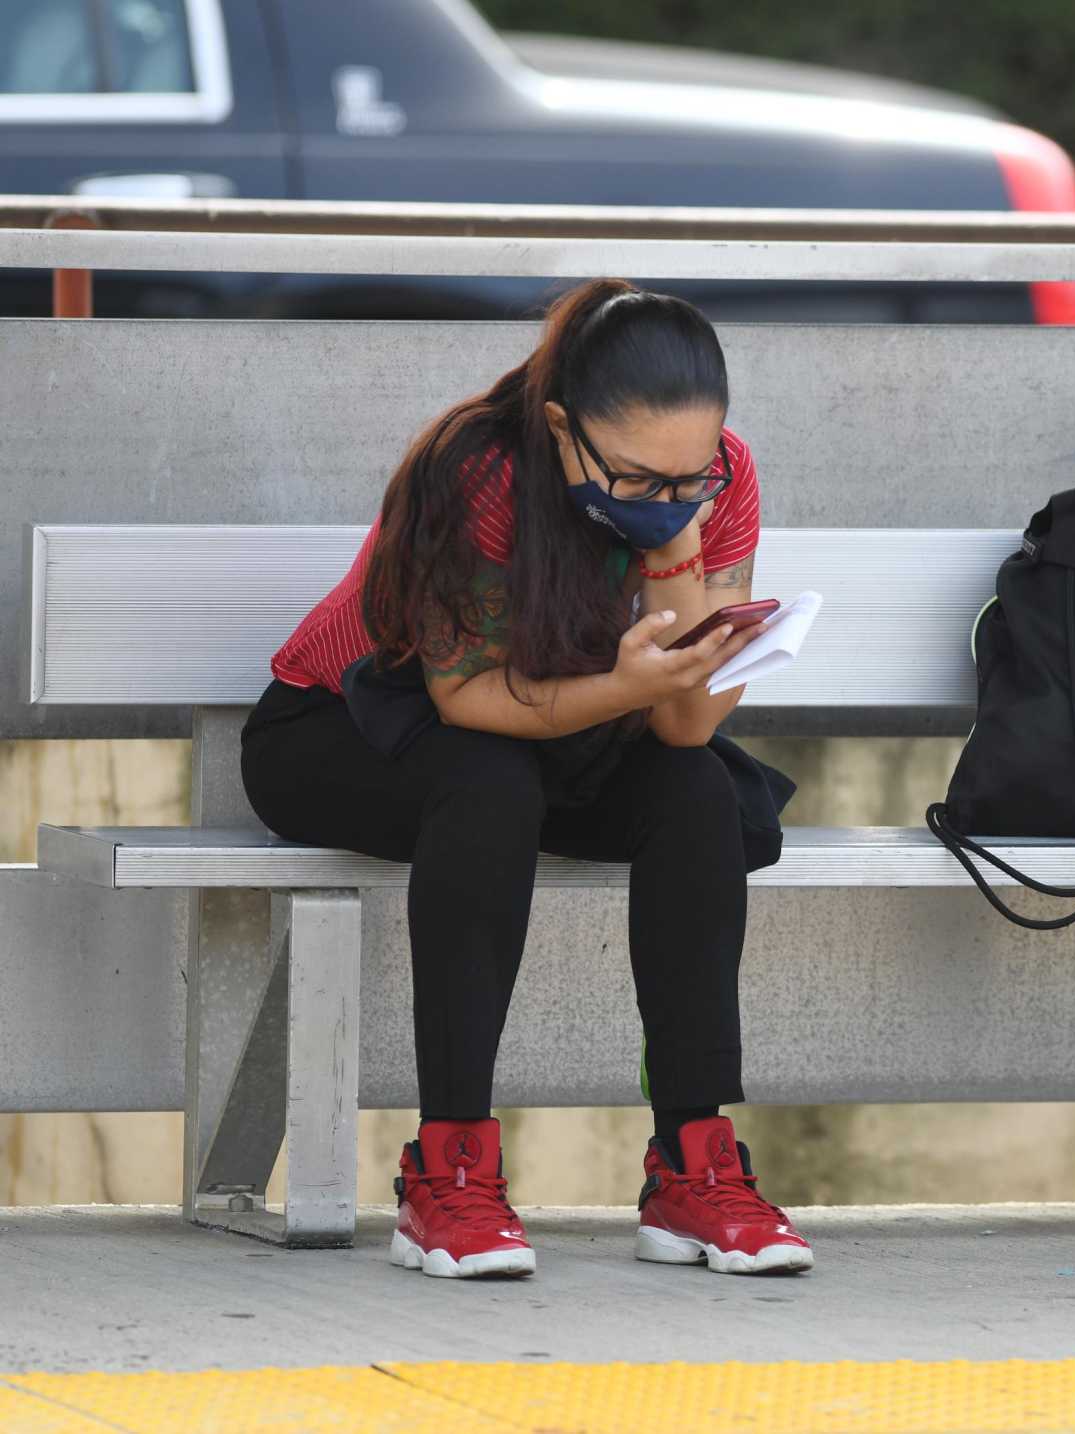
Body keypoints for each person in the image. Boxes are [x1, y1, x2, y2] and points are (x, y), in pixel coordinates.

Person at [241, 278, 814, 1279]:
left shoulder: (717, 481)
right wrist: (625, 685)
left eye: (691, 477)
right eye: (637, 478)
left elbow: (684, 726)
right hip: (340, 729)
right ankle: (448, 1173)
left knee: (697, 794)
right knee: (490, 785)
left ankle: (693, 1166)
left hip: (553, 731)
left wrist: (676, 541)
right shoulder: (477, 472)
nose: (669, 496)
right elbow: (464, 699)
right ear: (561, 429)